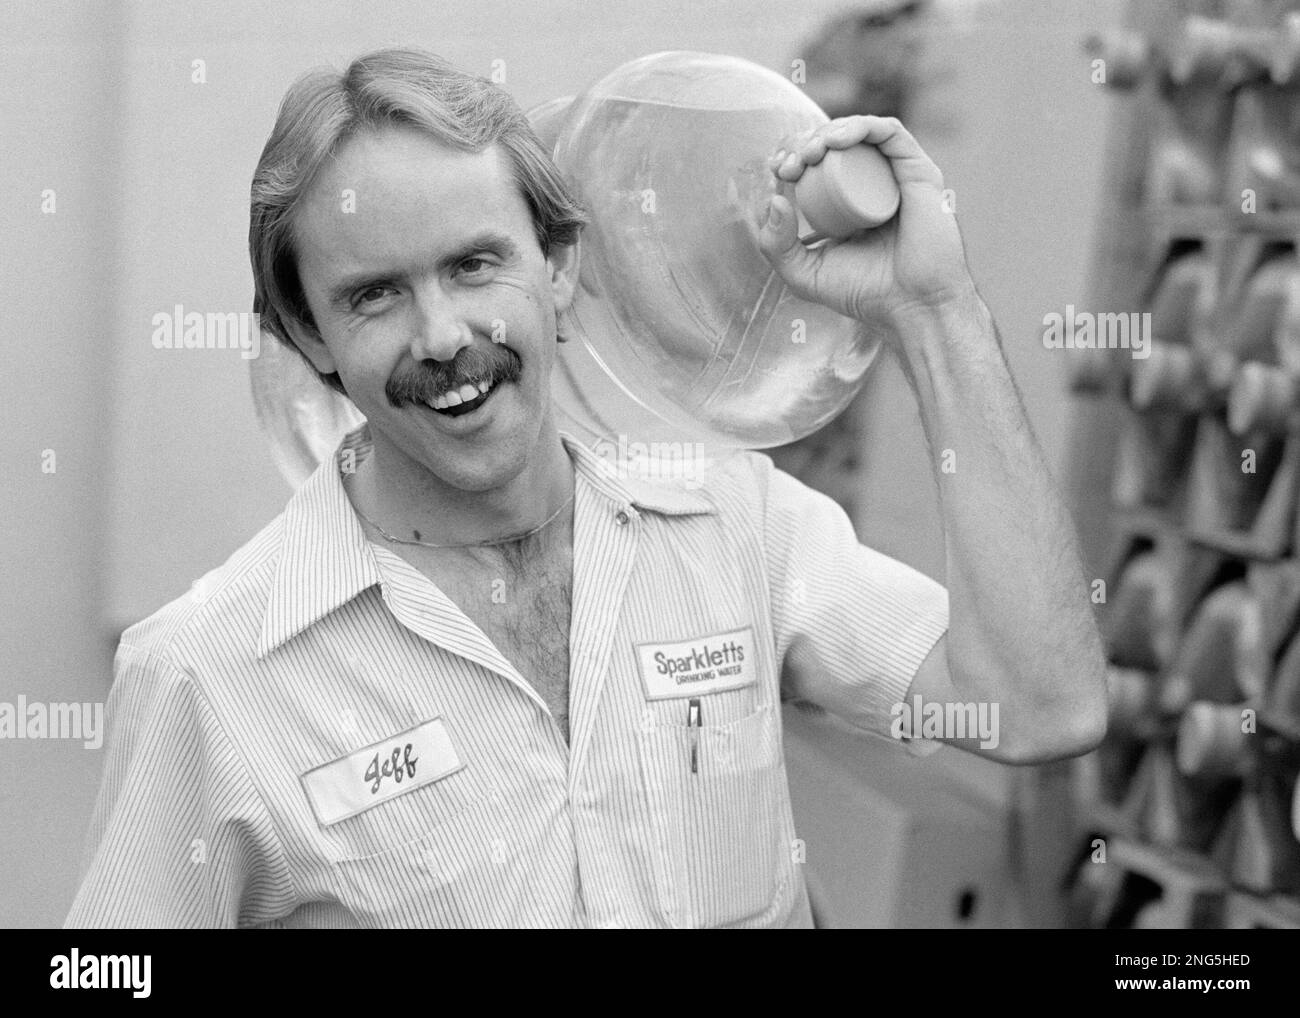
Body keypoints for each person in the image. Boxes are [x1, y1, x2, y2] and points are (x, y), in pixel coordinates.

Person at [66, 47, 1107, 929]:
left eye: (476, 264)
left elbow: (1033, 706)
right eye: (375, 294)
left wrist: (933, 310)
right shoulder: (207, 673)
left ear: (558, 265)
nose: (443, 337)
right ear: (308, 337)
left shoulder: (732, 523)